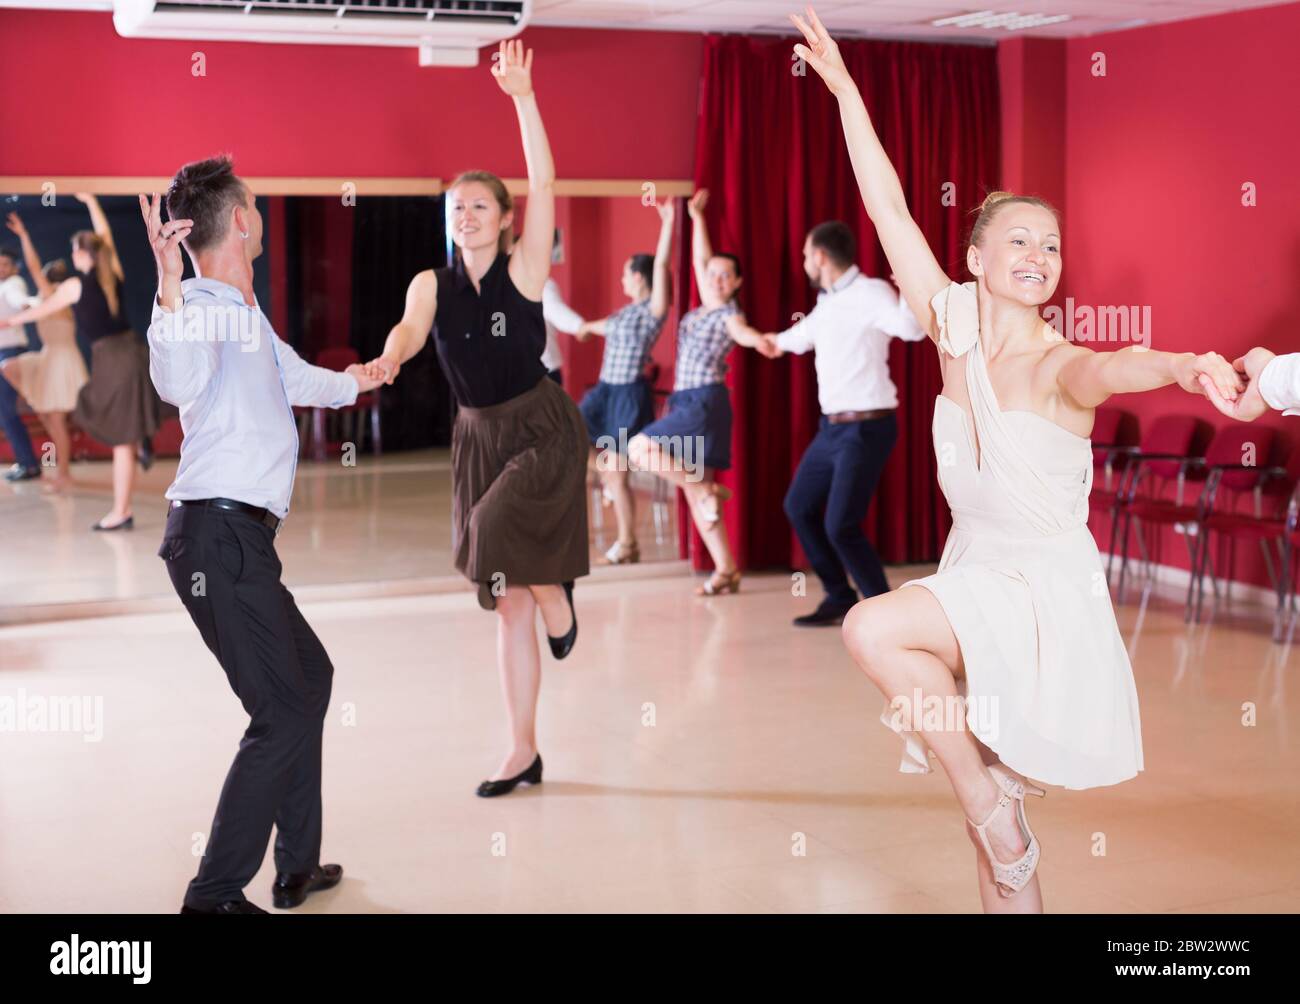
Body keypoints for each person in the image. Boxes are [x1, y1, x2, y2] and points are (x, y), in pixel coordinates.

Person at [792, 5, 1243, 913]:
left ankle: (993, 802)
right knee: (991, 845)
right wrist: (845, 92)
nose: (1041, 255)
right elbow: (885, 207)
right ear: (976, 256)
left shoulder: (1058, 364)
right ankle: (999, 834)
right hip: (978, 569)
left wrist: (1188, 368)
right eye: (1021, 241)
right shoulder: (952, 331)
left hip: (1042, 592)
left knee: (869, 628)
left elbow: (1124, 366)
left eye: (1052, 244)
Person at [141, 158, 383, 913]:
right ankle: (211, 895)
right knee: (282, 709)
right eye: (252, 202)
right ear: (241, 220)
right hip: (217, 541)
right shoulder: (205, 306)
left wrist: (362, 381)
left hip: (236, 543)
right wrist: (166, 286)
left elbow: (296, 379)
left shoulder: (244, 312)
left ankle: (296, 866)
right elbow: (176, 380)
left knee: (309, 681)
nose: (258, 210)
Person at [366, 40, 588, 798]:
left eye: (479, 206)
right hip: (477, 438)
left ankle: (560, 596)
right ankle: (521, 749)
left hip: (541, 431)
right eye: (455, 208)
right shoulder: (432, 281)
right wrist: (390, 357)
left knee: (491, 542)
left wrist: (523, 97)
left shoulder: (526, 268)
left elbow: (546, 177)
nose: (466, 217)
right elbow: (408, 329)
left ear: (504, 216)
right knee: (506, 603)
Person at [728, 220, 926, 625]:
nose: (803, 262)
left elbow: (911, 330)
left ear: (820, 256)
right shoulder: (828, 302)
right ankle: (839, 596)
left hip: (866, 428)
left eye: (805, 254)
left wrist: (908, 291)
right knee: (798, 506)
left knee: (840, 525)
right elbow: (796, 338)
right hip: (832, 431)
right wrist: (764, 339)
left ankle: (888, 616)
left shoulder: (871, 292)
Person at [0, 194, 161, 528]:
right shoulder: (110, 272)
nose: (71, 255)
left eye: (75, 250)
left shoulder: (75, 285)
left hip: (112, 358)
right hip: (130, 351)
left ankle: (121, 510)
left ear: (82, 253)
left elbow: (43, 308)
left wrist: (11, 323)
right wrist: (91, 203)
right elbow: (106, 237)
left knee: (115, 432)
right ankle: (137, 447)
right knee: (110, 421)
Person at [628, 189, 742, 595]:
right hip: (694, 403)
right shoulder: (701, 307)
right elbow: (699, 260)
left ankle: (701, 487)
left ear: (736, 284)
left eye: (727, 276)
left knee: (640, 448)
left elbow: (741, 333)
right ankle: (726, 569)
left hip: (703, 401)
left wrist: (759, 339)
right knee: (702, 502)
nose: (716, 278)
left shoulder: (729, 315)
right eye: (714, 274)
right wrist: (694, 218)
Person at [574, 201, 674, 564]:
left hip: (627, 395)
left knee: (617, 475)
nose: (621, 279)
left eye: (625, 274)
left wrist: (669, 223)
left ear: (639, 277)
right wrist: (584, 327)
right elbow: (602, 326)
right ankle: (606, 479)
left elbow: (662, 265)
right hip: (603, 391)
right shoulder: (624, 313)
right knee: (566, 436)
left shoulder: (652, 311)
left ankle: (628, 544)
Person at [0, 213, 88, 492]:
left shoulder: (57, 299)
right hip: (50, 358)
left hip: (62, 361)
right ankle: (62, 470)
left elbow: (34, 267)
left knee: (57, 420)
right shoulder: (47, 300)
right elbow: (36, 274)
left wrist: (25, 235)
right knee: (47, 413)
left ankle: (63, 473)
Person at [0, 246, 40, 482]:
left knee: (6, 411)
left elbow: (20, 300)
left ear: (14, 267)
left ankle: (29, 464)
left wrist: (31, 303)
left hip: (11, 352)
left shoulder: (13, 283)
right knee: (5, 411)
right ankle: (27, 462)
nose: (2, 268)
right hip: (5, 351)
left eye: (6, 264)